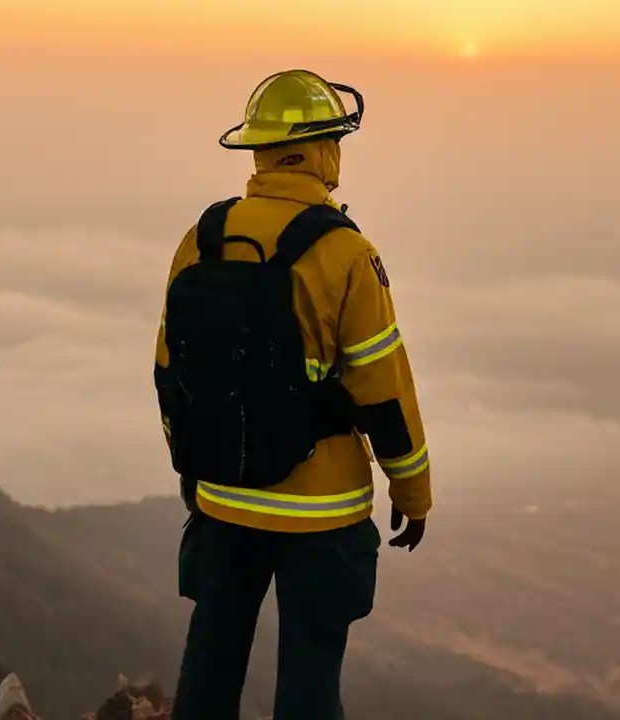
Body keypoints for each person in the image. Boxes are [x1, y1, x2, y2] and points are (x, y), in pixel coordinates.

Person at [153, 69, 432, 720]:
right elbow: (384, 390)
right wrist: (412, 493)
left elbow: (170, 372)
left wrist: (194, 470)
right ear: (319, 150)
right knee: (309, 679)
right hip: (321, 513)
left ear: (260, 150)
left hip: (222, 497)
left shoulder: (204, 237)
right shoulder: (346, 253)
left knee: (210, 665)